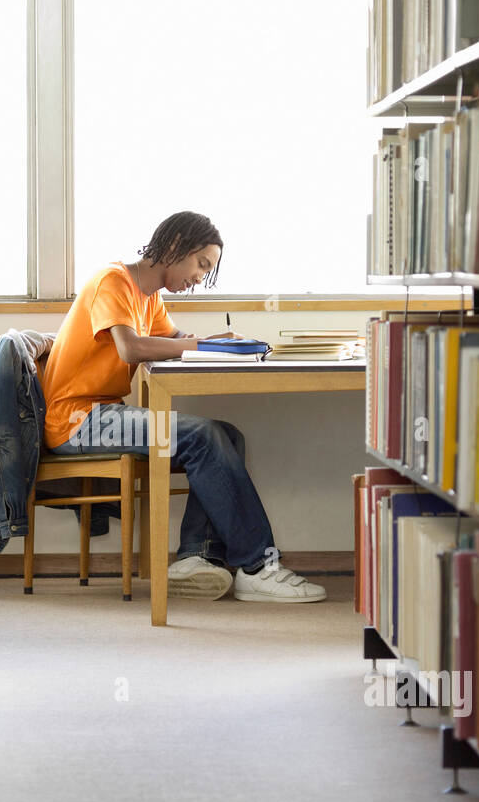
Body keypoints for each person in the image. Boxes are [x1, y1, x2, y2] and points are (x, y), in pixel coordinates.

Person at [41, 210, 326, 604]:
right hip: (77, 420)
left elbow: (177, 342)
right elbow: (132, 347)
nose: (200, 277)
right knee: (204, 436)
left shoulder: (150, 298)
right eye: (201, 264)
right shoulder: (113, 281)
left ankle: (196, 557)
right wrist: (197, 344)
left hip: (104, 415)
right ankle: (259, 567)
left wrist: (218, 341)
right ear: (175, 247)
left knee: (226, 434)